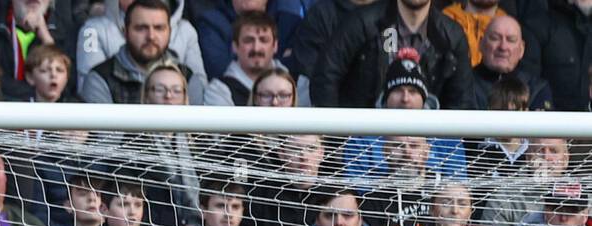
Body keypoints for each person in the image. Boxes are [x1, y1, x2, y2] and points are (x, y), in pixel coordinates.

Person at [309, 0, 475, 110]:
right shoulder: (361, 22)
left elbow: (461, 100)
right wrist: (338, 140)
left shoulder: (452, 35)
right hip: (361, 144)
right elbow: (325, 76)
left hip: (425, 149)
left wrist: (440, 148)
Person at [81, 0, 203, 105]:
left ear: (169, 32)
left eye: (159, 28)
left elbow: (199, 130)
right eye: (141, 28)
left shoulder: (188, 77)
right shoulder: (100, 78)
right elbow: (102, 132)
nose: (151, 36)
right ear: (125, 32)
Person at [203, 12, 290, 107]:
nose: (256, 48)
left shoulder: (293, 83)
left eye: (263, 40)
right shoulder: (218, 91)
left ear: (275, 46)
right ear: (235, 46)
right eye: (248, 40)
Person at [472, 15, 552, 110]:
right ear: (481, 44)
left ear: (522, 49)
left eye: (511, 40)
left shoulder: (537, 89)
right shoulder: (463, 84)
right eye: (495, 38)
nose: (503, 47)